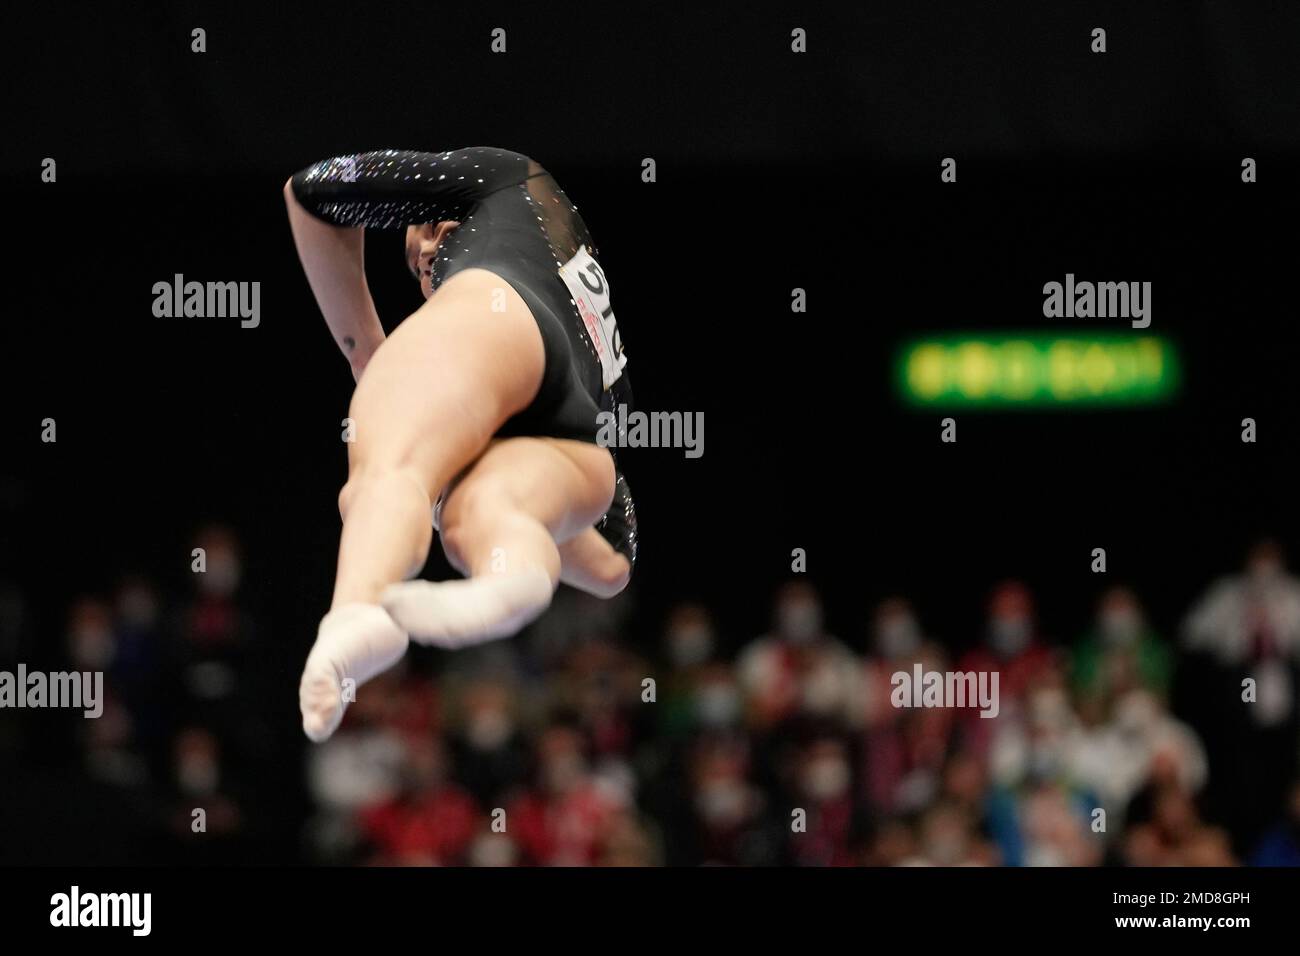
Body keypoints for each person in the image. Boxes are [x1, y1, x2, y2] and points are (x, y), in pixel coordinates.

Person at [284, 147, 637, 743]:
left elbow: (310, 193)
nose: (423, 254)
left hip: (502, 316)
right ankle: (510, 574)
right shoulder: (592, 329)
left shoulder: (501, 180)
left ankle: (357, 612)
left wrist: (369, 355)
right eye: (418, 269)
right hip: (579, 450)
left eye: (424, 233)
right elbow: (613, 562)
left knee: (391, 467)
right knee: (485, 509)